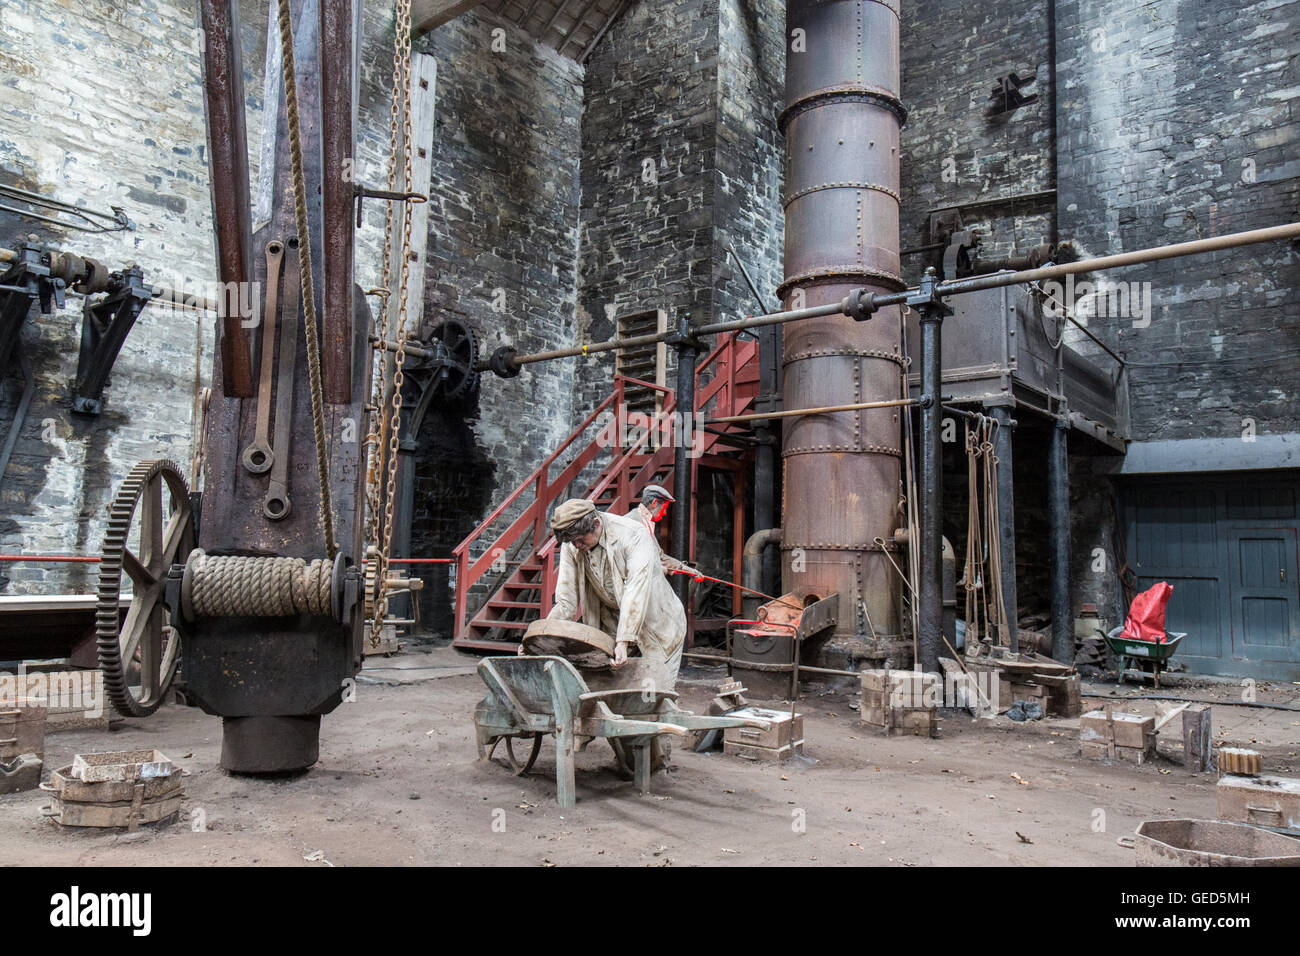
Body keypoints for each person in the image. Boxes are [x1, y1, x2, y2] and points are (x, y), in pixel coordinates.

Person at [547, 498, 686, 691]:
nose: (576, 545)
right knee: (608, 691)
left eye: (580, 540)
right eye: (572, 542)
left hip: (657, 623)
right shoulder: (572, 543)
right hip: (615, 620)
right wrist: (544, 635)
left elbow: (635, 591)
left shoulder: (633, 535)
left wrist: (623, 640)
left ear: (596, 524)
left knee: (654, 692)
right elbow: (565, 601)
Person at [628, 484, 699, 577]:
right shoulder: (633, 522)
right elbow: (631, 559)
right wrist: (657, 568)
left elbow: (659, 556)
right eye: (664, 508)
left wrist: (686, 569)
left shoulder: (644, 520)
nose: (665, 513)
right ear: (654, 503)